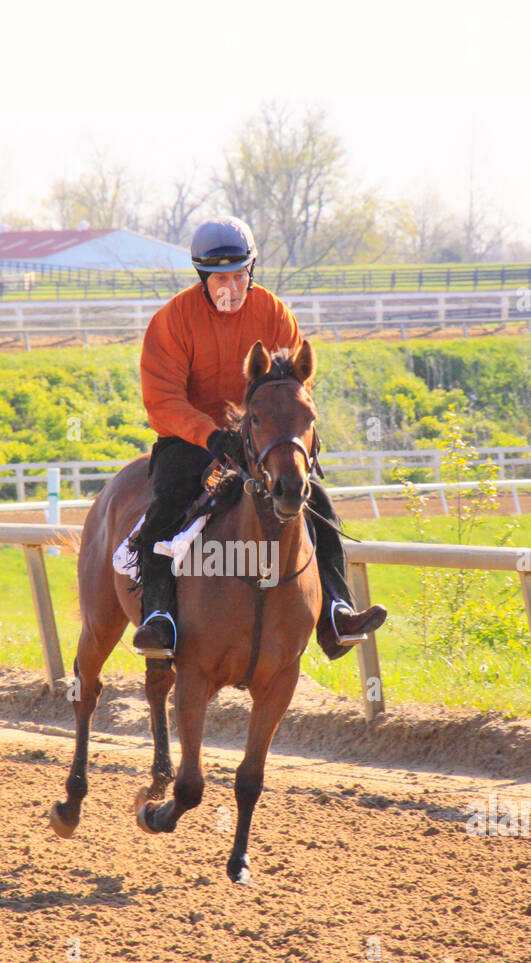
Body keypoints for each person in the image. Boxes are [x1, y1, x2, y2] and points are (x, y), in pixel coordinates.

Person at [132, 215, 386, 659]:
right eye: (218, 279)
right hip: (191, 441)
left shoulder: (273, 313)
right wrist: (211, 436)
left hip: (262, 441)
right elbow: (162, 401)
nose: (229, 287)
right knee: (168, 500)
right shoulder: (171, 322)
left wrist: (286, 435)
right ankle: (159, 616)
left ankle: (336, 613)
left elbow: (294, 388)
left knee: (317, 503)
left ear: (251, 272)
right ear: (202, 279)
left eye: (238, 275)